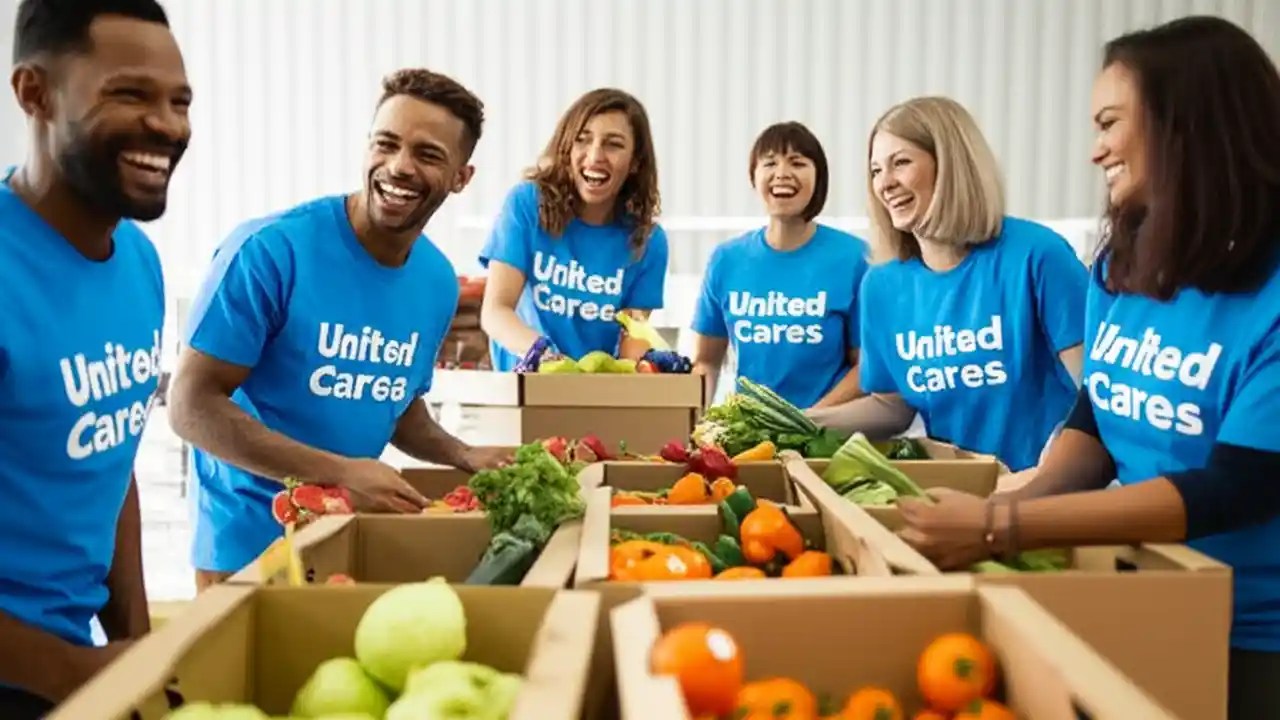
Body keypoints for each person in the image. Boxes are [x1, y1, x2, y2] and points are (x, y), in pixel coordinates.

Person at [895, 16, 1280, 718]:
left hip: (1255, 633)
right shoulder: (1120, 264)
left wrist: (1005, 528)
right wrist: (1009, 506)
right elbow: (1095, 415)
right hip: (1139, 586)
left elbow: (1239, 486)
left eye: (1109, 123)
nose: (1094, 150)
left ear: (1189, 123)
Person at [168, 68, 510, 591]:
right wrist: (341, 471)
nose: (399, 167)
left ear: (461, 177)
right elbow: (191, 406)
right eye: (386, 144)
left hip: (343, 534)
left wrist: (459, 453)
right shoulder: (270, 251)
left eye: (428, 154)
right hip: (247, 543)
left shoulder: (437, 281)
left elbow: (394, 405)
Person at [0, 0, 191, 715]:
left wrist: (135, 646)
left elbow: (108, 467)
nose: (168, 125)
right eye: (129, 93)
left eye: (179, 101)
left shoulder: (138, 262)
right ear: (34, 93)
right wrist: (68, 670)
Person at [805, 96, 1088, 473]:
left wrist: (1049, 474)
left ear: (951, 164)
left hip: (1046, 493)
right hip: (958, 495)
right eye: (875, 170)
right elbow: (892, 406)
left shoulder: (1037, 255)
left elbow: (1098, 393)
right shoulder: (882, 286)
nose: (885, 184)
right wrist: (799, 423)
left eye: (900, 162)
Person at [478, 88, 669, 370]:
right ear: (566, 148)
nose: (595, 156)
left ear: (635, 162)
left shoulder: (648, 240)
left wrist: (633, 372)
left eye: (613, 144)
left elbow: (633, 339)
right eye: (582, 140)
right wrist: (547, 358)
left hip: (595, 400)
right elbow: (496, 312)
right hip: (523, 393)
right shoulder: (527, 205)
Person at [690, 122, 869, 410]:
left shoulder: (855, 258)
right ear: (754, 177)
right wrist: (694, 427)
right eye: (770, 163)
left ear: (819, 177)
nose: (782, 173)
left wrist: (809, 421)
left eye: (797, 163)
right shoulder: (726, 260)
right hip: (748, 439)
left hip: (826, 437)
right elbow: (706, 362)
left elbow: (865, 367)